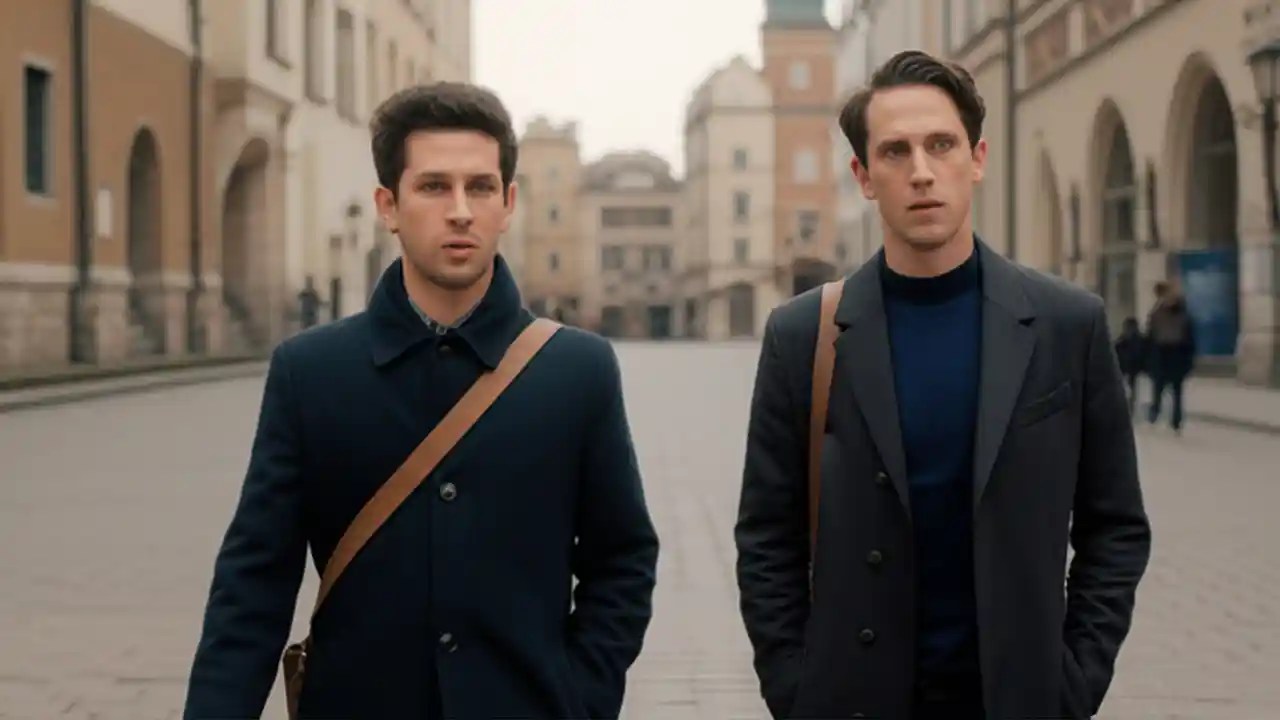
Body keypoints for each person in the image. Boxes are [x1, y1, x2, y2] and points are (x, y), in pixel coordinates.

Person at [184, 82, 659, 719]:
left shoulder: (576, 370)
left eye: (480, 187)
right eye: (434, 187)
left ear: (508, 202)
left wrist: (581, 697)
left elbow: (622, 558)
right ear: (389, 204)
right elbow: (253, 583)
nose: (460, 210)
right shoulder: (312, 372)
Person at [734, 50, 1151, 720]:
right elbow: (766, 539)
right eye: (895, 152)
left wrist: (1073, 683)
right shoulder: (803, 336)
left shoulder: (1067, 324)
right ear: (864, 176)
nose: (922, 172)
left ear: (977, 158)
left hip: (1016, 698)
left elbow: (1116, 527)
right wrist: (795, 689)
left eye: (941, 145)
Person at [1145, 281, 1196, 433]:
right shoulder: (1156, 312)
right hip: (1161, 354)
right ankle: (1154, 413)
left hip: (1176, 354)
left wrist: (1189, 360)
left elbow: (1190, 338)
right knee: (1158, 388)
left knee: (1176, 390)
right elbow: (1150, 336)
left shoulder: (1183, 314)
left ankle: (1176, 420)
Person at [1114, 316, 1147, 415]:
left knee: (1131, 387)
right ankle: (1128, 406)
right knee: (1127, 388)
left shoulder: (1129, 340)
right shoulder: (1124, 341)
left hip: (1132, 367)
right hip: (1127, 366)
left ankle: (1130, 406)